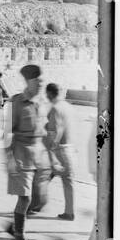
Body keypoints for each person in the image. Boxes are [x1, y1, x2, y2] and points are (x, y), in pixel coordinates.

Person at [4, 63, 51, 240]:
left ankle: (15, 226)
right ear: (28, 81)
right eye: (37, 81)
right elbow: (6, 134)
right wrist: (9, 160)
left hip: (39, 154)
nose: (41, 84)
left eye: (42, 80)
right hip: (21, 154)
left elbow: (45, 130)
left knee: (40, 199)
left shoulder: (41, 103)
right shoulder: (17, 102)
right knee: (25, 198)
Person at [44, 82, 76, 221]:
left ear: (50, 94)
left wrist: (50, 151)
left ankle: (32, 204)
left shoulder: (55, 109)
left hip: (59, 150)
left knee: (42, 178)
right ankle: (69, 211)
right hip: (69, 148)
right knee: (67, 182)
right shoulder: (68, 106)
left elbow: (55, 131)